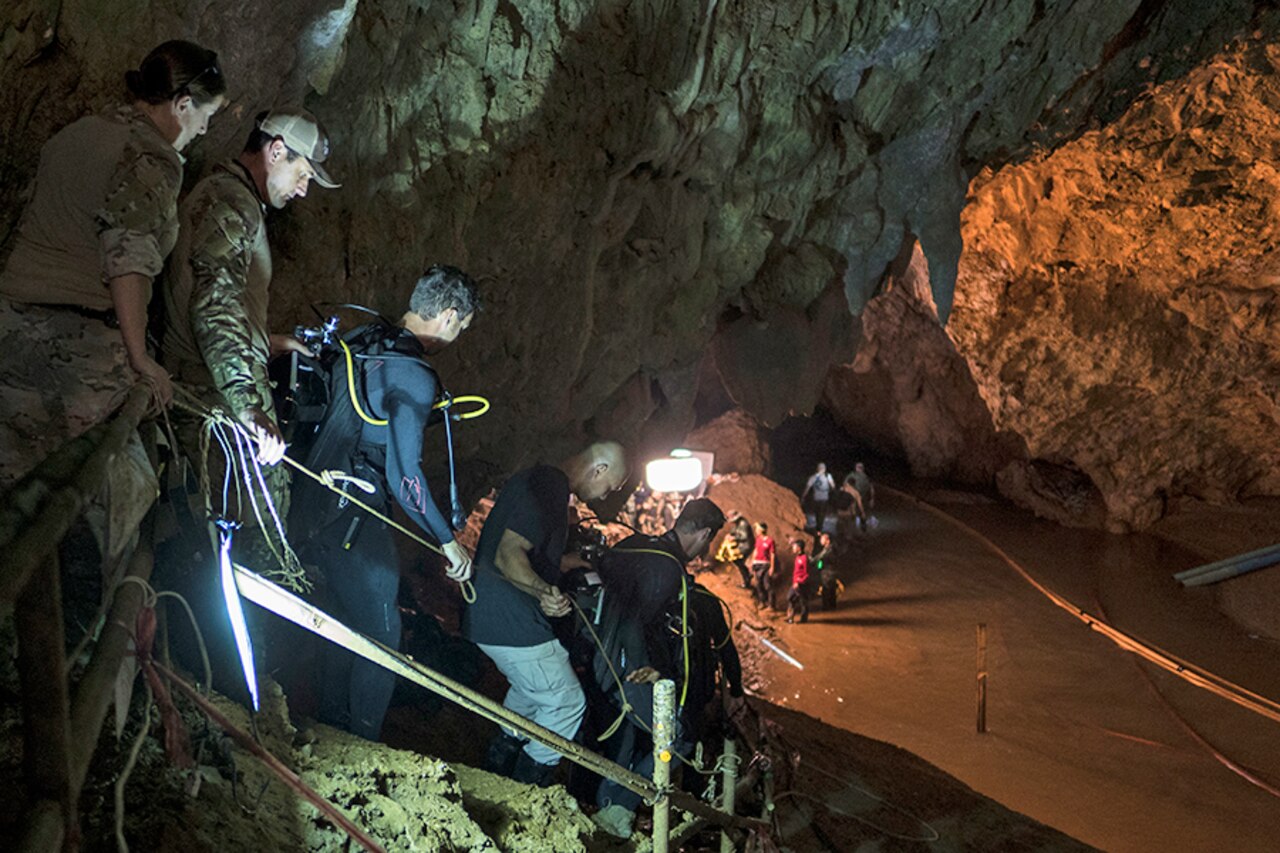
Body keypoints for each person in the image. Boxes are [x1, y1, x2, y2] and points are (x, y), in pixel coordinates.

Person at [0, 40, 226, 488]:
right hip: (73, 348)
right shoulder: (151, 158)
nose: (204, 129)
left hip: (10, 325)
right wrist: (141, 359)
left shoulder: (79, 132)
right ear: (183, 104)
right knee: (108, 490)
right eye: (207, 115)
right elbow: (128, 260)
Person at [292, 266, 479, 740]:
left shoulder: (361, 342)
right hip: (354, 514)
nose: (458, 336)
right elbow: (405, 477)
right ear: (450, 316)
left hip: (308, 504)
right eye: (462, 327)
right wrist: (447, 542)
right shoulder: (413, 373)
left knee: (342, 623)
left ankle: (330, 728)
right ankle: (363, 742)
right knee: (382, 635)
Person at [163, 107, 339, 576]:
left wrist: (268, 341)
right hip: (213, 400)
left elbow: (212, 295)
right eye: (303, 174)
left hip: (212, 387)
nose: (303, 189)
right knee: (250, 544)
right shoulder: (231, 202)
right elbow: (213, 305)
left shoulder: (230, 197)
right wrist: (247, 405)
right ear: (276, 151)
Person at [463, 441, 628, 786]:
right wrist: (544, 592)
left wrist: (561, 562)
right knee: (566, 702)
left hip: (489, 614)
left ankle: (494, 772)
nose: (603, 496)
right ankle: (527, 789)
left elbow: (517, 543)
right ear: (599, 469)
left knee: (529, 693)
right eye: (609, 487)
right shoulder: (549, 485)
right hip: (510, 619)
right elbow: (508, 555)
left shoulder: (538, 479)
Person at [589, 498, 727, 839]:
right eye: (709, 541)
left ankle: (604, 803)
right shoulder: (667, 568)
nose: (706, 549)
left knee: (625, 738)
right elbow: (634, 619)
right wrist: (645, 665)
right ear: (705, 534)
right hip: (623, 664)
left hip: (593, 653)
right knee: (676, 735)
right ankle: (618, 810)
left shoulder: (634, 545)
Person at [842, 462, 876, 534]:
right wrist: (872, 499)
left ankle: (854, 530)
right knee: (861, 513)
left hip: (855, 498)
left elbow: (845, 485)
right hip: (861, 498)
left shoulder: (853, 475)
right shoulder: (866, 477)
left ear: (856, 468)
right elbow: (871, 488)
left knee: (854, 513)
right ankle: (862, 529)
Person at [801, 462, 836, 531]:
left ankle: (818, 527)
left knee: (817, 513)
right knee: (822, 513)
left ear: (817, 469)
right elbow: (833, 486)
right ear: (824, 469)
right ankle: (819, 527)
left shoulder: (813, 477)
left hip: (816, 498)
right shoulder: (828, 476)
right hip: (825, 498)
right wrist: (830, 490)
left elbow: (807, 488)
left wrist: (803, 496)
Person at [749, 521, 776, 609]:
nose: (756, 531)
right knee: (758, 584)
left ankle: (771, 604)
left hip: (765, 565)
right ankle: (762, 602)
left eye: (757, 529)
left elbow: (772, 554)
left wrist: (772, 567)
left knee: (767, 585)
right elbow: (756, 550)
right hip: (757, 564)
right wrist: (752, 562)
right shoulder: (758, 539)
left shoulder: (770, 541)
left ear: (761, 530)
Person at [786, 538, 811, 624]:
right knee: (790, 597)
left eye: (794, 547)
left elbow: (807, 573)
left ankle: (803, 619)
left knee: (803, 601)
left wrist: (800, 582)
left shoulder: (804, 558)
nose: (793, 548)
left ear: (799, 548)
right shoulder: (797, 557)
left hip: (801, 584)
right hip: (795, 583)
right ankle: (790, 618)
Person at [813, 531, 840, 610]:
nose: (821, 540)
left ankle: (826, 607)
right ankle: (832, 606)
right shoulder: (829, 548)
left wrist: (811, 560)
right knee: (831, 589)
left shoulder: (829, 550)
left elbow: (819, 558)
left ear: (828, 540)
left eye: (822, 539)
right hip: (830, 571)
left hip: (828, 572)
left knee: (827, 589)